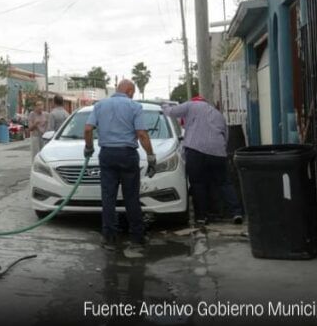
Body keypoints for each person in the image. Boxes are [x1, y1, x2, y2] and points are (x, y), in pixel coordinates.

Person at [84, 79, 155, 251]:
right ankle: (137, 238)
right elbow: (142, 134)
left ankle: (109, 238)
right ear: (129, 91)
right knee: (131, 197)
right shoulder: (134, 107)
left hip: (107, 154)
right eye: (133, 93)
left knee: (108, 198)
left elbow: (87, 129)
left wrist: (89, 148)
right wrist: (151, 156)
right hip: (127, 154)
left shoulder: (100, 105)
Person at [163, 95, 243, 225]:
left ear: (194, 101)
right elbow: (225, 136)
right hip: (218, 153)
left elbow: (171, 112)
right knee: (224, 183)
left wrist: (163, 105)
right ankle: (236, 212)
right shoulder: (218, 114)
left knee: (198, 184)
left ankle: (201, 217)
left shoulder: (191, 105)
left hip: (195, 151)